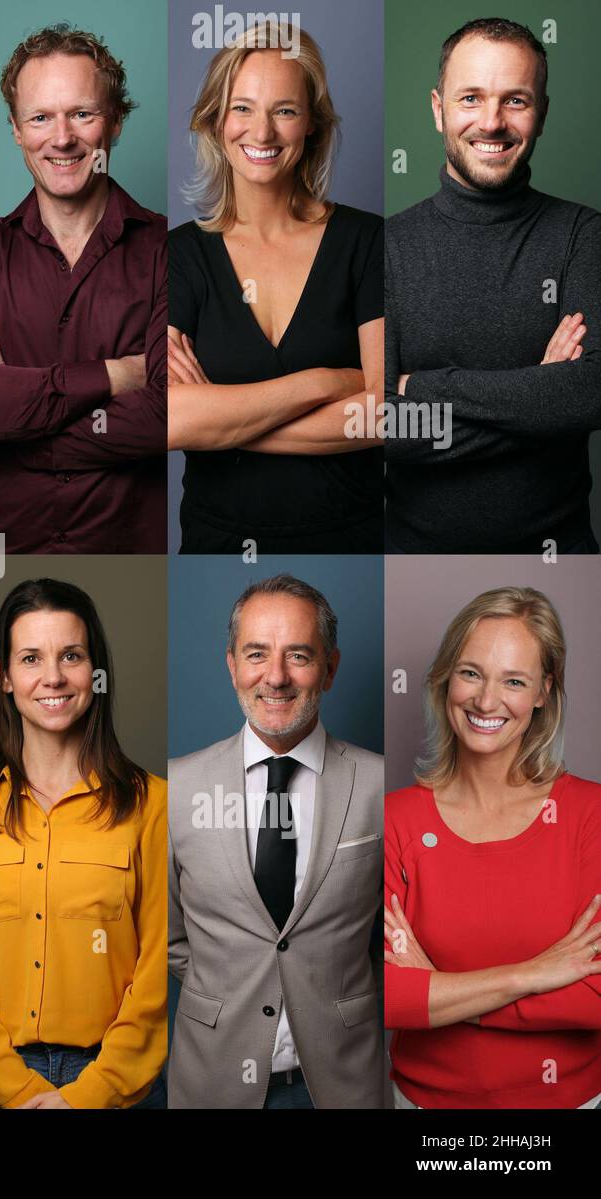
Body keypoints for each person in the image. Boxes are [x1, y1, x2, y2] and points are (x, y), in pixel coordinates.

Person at [168, 574, 387, 1108]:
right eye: (257, 654)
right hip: (211, 1081)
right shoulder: (175, 787)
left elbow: (390, 939)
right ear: (231, 665)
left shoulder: (382, 784)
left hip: (341, 1084)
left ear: (329, 668)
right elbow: (170, 938)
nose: (276, 677)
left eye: (299, 656)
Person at [384, 18, 601, 553]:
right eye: (471, 98)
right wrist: (540, 399)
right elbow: (382, 428)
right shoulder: (385, 247)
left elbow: (590, 393)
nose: (491, 122)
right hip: (414, 563)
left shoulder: (584, 234)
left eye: (515, 101)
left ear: (542, 114)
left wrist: (425, 388)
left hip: (562, 558)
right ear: (438, 109)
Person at [168, 20, 383, 553]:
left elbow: (382, 416)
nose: (261, 133)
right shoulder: (178, 253)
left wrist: (221, 420)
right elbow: (169, 421)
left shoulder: (368, 240)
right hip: (214, 545)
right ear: (216, 121)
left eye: (284, 110)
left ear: (312, 123)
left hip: (348, 543)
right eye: (242, 108)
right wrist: (326, 382)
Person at [0, 24, 167, 554]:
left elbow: (166, 415)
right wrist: (117, 374)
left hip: (129, 560)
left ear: (115, 121)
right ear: (16, 130)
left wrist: (16, 413)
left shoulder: (170, 249)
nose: (62, 137)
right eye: (40, 117)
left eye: (82, 114)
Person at [0, 578, 166, 1108]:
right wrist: (19, 1092)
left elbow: (159, 964)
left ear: (95, 673)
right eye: (30, 658)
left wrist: (90, 1094)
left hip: (118, 1085)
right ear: (3, 676)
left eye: (70, 656)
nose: (52, 677)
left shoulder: (153, 805)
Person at [385, 587, 601, 1108]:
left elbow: (594, 998)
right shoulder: (395, 819)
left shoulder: (589, 815)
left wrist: (441, 993)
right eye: (471, 673)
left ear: (543, 692)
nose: (486, 701)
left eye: (514, 681)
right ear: (445, 678)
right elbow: (391, 996)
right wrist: (534, 974)